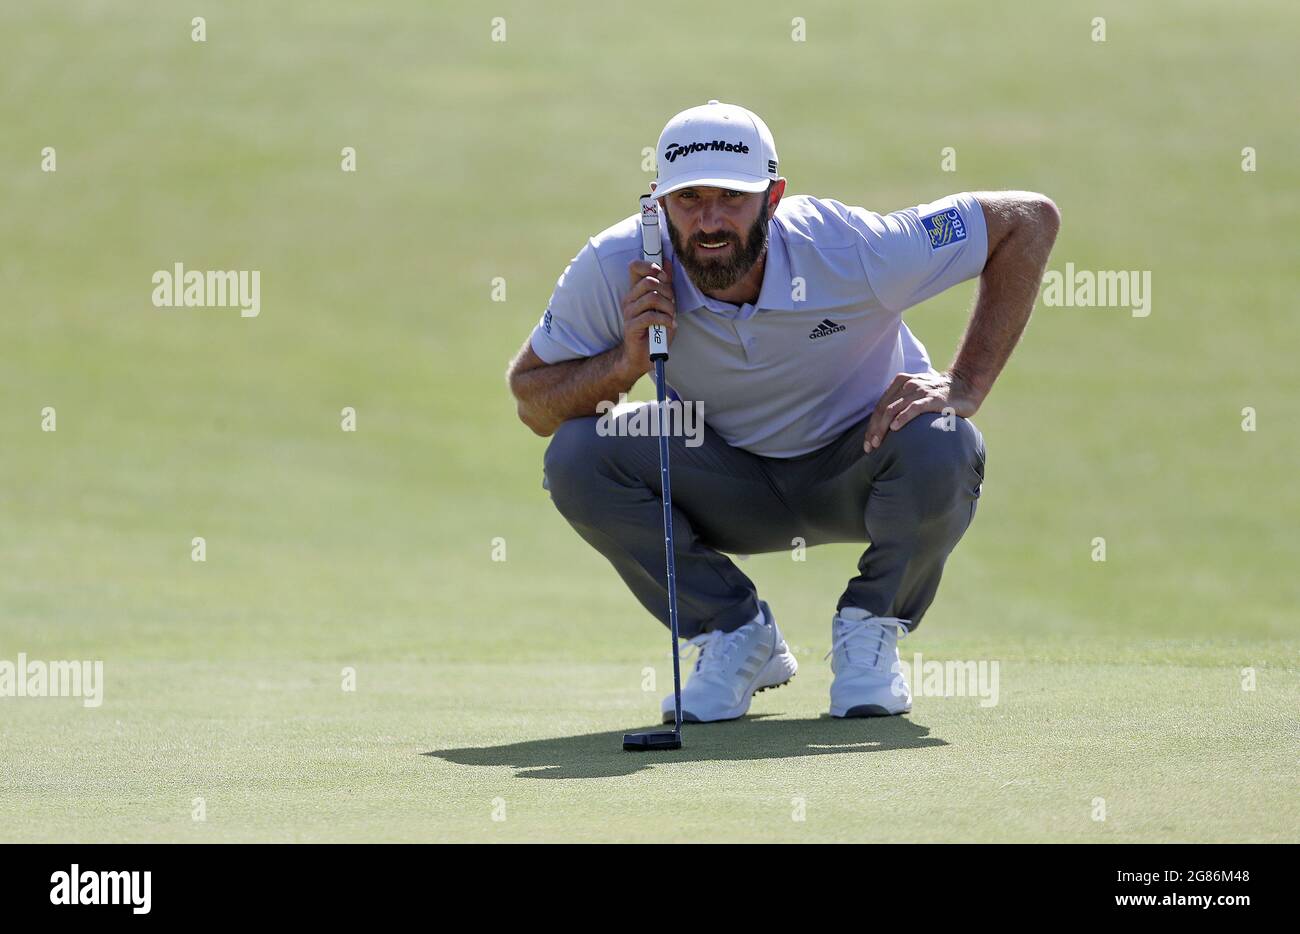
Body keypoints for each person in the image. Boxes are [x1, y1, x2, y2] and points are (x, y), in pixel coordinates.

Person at [506, 100, 1059, 723]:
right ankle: (736, 633)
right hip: (726, 483)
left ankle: (869, 634)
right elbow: (532, 400)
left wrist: (965, 383)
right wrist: (622, 365)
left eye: (732, 198)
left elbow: (1028, 220)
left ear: (774, 196)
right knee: (579, 455)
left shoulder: (853, 247)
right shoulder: (618, 265)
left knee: (945, 435)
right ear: (658, 204)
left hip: (862, 469)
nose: (710, 221)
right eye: (689, 200)